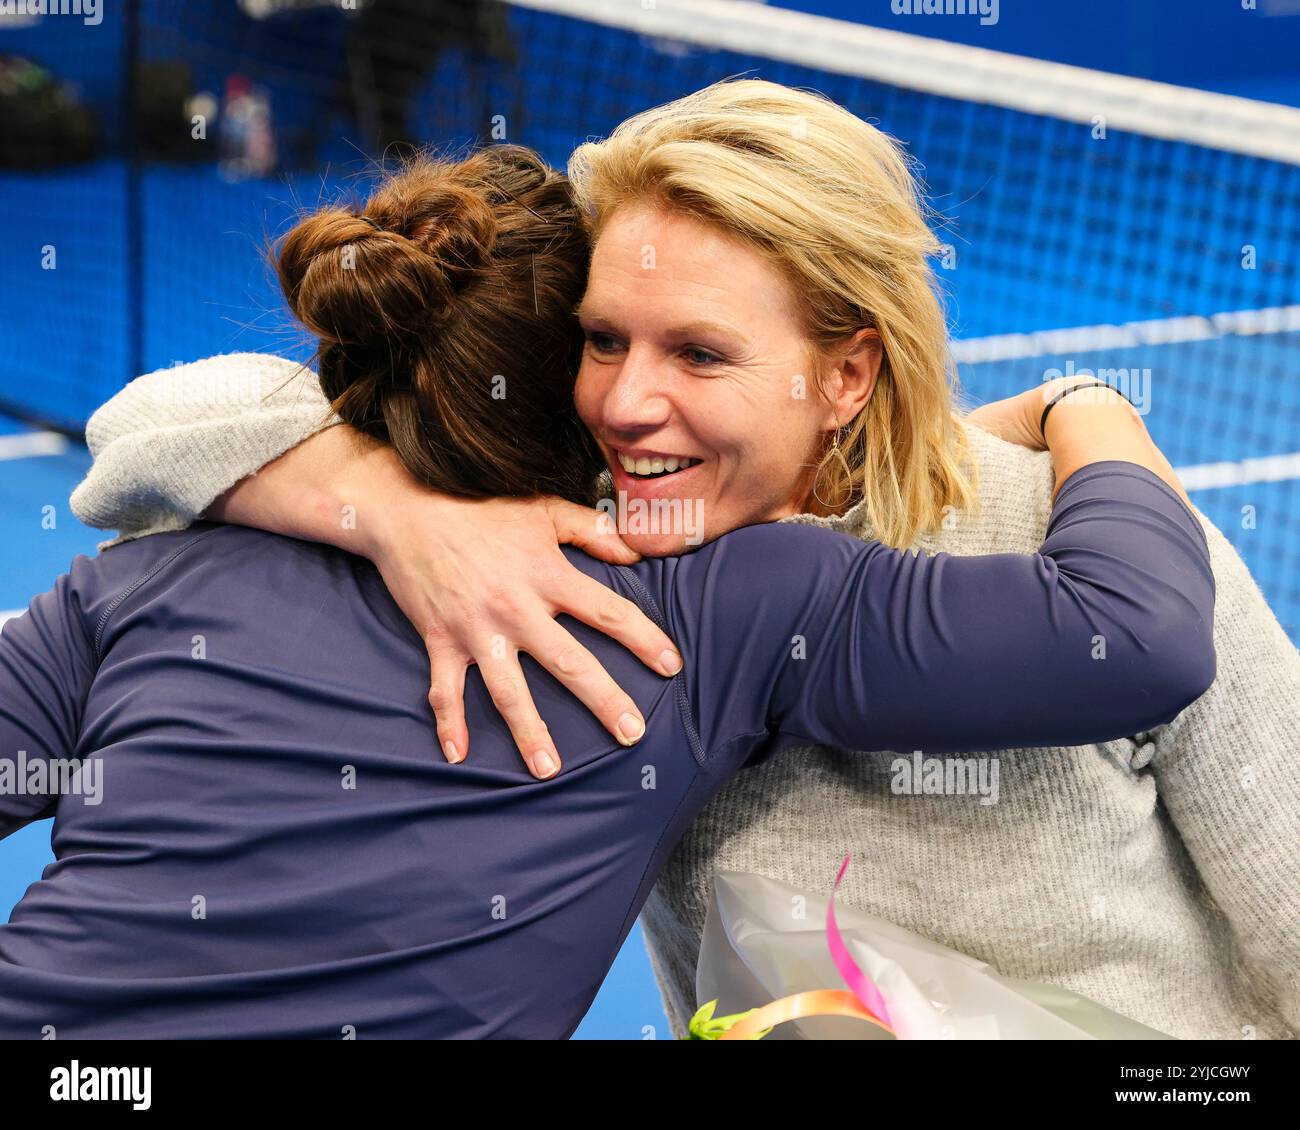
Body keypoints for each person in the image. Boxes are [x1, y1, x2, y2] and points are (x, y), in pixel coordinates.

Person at [70, 80, 1300, 1040]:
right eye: (603, 340)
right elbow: (156, 418)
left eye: (701, 356)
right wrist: (391, 508)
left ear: (847, 373)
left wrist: (1087, 405)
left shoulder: (1093, 544)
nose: (626, 402)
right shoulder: (575, 537)